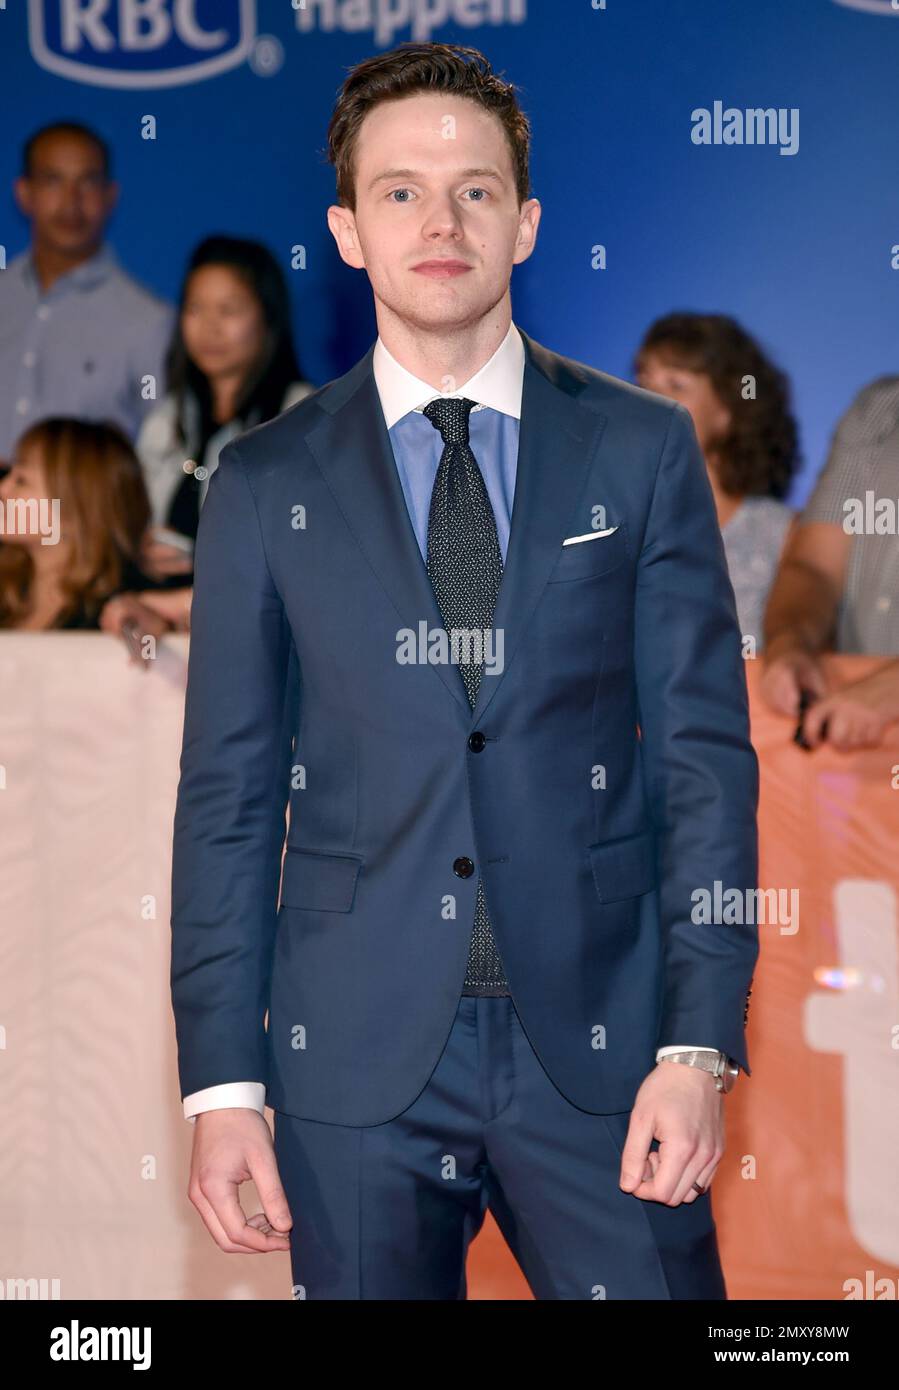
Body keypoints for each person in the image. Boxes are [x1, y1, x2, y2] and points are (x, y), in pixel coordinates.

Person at [170, 42, 759, 1301]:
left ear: (527, 221)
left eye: (474, 191)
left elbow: (705, 761)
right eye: (398, 192)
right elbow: (224, 797)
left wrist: (697, 1040)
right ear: (345, 228)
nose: (438, 223)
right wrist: (223, 1085)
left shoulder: (642, 448)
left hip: (605, 1059)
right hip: (351, 1066)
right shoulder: (263, 481)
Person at [135, 237, 315, 587]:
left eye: (229, 310)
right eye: (195, 309)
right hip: (166, 619)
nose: (209, 328)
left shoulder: (301, 414)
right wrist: (140, 552)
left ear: (268, 317)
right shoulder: (168, 416)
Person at [0, 123, 173, 463]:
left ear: (111, 196)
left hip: (78, 515)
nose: (71, 201)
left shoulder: (148, 321)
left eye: (88, 182)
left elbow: (164, 456)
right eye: (53, 180)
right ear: (23, 193)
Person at [635, 313, 798, 648]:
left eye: (675, 385)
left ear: (728, 410)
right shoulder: (613, 521)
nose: (644, 401)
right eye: (643, 383)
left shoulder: (784, 535)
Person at [761, 376, 899, 750]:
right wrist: (790, 644)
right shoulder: (881, 409)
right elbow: (814, 566)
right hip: (864, 761)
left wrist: (890, 688)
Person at [0, 417, 160, 631]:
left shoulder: (124, 615)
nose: (3, 488)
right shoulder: (9, 591)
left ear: (76, 506)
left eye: (21, 480)